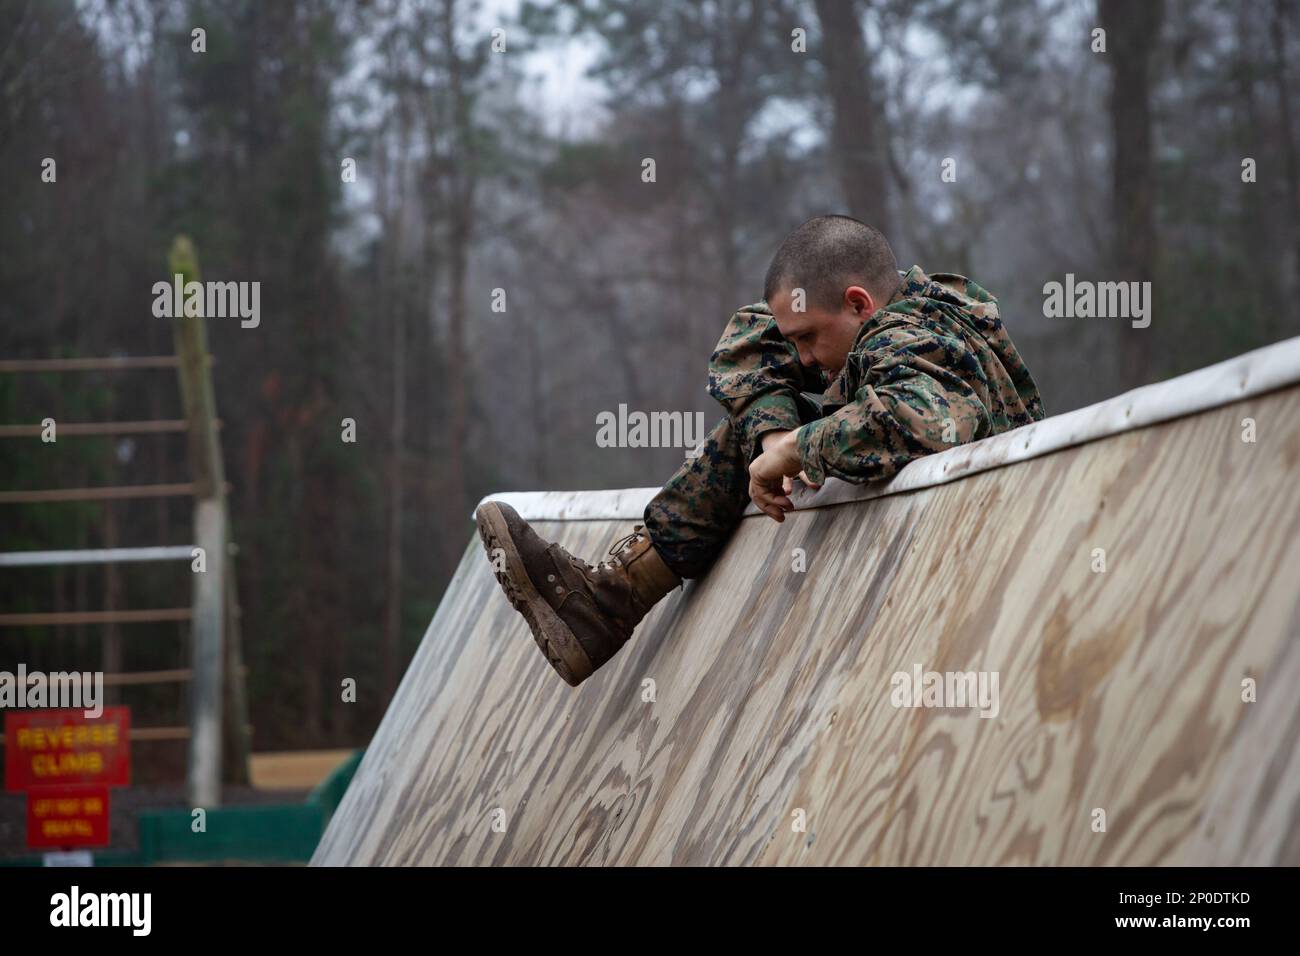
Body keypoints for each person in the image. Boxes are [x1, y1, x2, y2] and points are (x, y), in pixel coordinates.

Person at [475, 214, 1045, 686]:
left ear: (858, 303)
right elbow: (749, 337)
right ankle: (608, 604)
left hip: (987, 579)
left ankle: (612, 602)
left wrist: (792, 450)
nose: (801, 356)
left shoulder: (908, 339)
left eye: (808, 338)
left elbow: (920, 423)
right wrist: (771, 438)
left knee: (773, 422)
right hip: (948, 559)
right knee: (770, 411)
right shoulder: (904, 306)